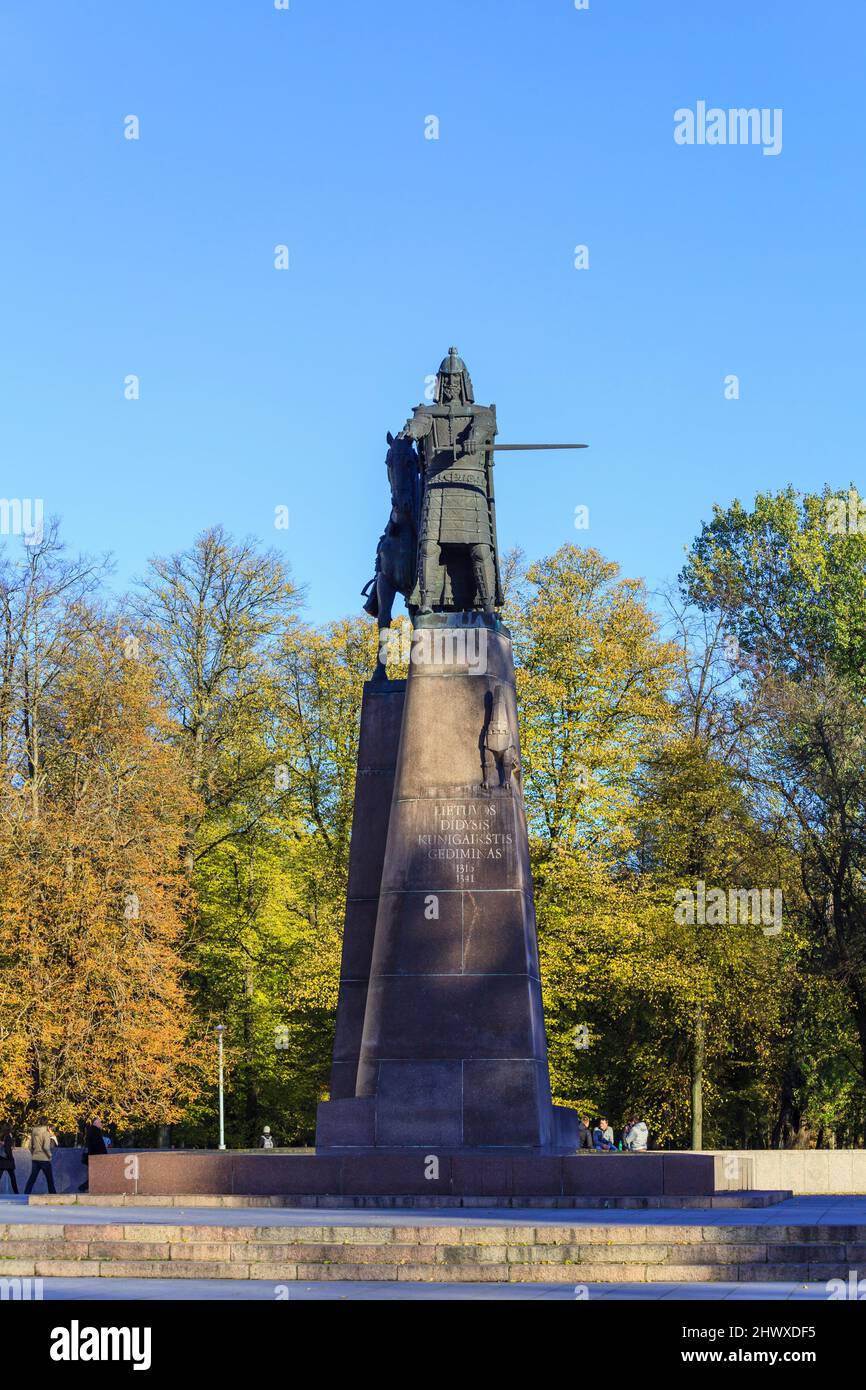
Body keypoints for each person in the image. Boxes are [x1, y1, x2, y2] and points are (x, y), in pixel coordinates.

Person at [23, 1117, 58, 1194]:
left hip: (35, 1158)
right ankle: (53, 1194)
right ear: (47, 1123)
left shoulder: (34, 1130)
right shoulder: (46, 1133)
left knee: (32, 1178)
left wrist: (33, 1153)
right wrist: (50, 1155)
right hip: (44, 1159)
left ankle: (26, 1193)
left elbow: (30, 1146)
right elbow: (46, 1147)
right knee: (49, 1179)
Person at [79, 1116, 108, 1192]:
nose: (101, 1124)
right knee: (97, 1174)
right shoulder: (95, 1131)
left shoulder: (91, 1130)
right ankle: (83, 1187)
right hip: (96, 1157)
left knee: (95, 1174)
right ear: (96, 1123)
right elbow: (98, 1144)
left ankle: (85, 1187)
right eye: (100, 1122)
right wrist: (103, 1154)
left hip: (93, 1156)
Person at [0, 1126, 18, 1194]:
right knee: (13, 1178)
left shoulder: (3, 1136)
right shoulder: (8, 1136)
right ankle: (16, 1192)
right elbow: (7, 1149)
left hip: (2, 1160)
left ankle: (16, 1192)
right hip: (8, 1161)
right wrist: (10, 1157)